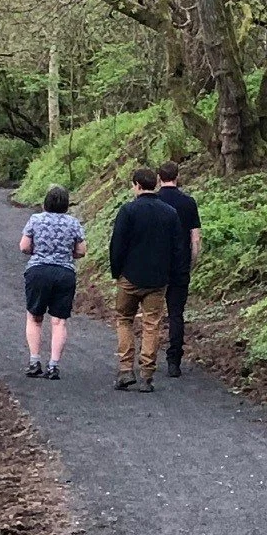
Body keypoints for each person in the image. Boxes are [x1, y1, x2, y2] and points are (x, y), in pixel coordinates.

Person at [107, 164, 183, 391]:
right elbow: (178, 248)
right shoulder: (170, 213)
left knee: (124, 319)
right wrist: (173, 274)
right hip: (158, 280)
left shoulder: (128, 211)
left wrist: (116, 272)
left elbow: (117, 245)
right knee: (152, 324)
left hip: (129, 276)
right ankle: (147, 374)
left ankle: (125, 369)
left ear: (137, 186)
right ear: (155, 183)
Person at [19, 184, 86, 379]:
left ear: (45, 203)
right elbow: (81, 251)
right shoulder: (73, 223)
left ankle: (34, 361)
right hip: (64, 273)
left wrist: (38, 252)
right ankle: (54, 365)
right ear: (66, 204)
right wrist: (67, 254)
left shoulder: (36, 220)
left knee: (34, 317)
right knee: (58, 321)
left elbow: (24, 247)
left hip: (38, 271)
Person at [154, 161, 201, 377]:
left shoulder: (153, 202)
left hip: (155, 266)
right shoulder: (188, 202)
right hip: (180, 265)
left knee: (151, 314)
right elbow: (195, 238)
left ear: (158, 178)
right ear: (178, 177)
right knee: (176, 314)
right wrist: (191, 262)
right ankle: (174, 360)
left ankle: (148, 358)